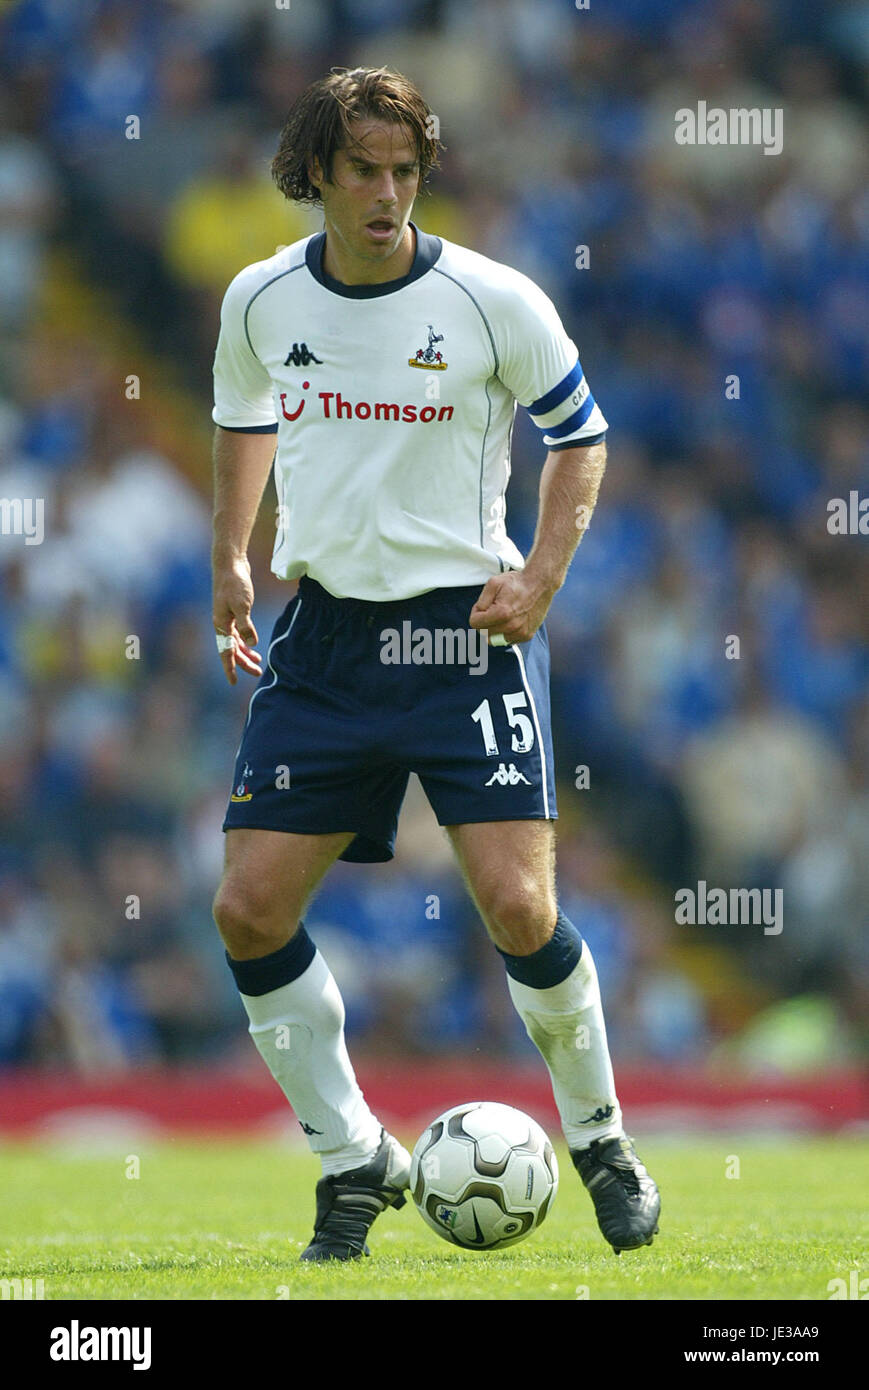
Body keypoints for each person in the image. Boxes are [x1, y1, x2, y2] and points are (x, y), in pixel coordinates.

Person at [210, 66, 660, 1261]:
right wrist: (231, 562)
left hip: (465, 633)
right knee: (248, 912)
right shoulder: (259, 301)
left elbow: (580, 433)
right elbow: (244, 415)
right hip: (326, 641)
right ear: (317, 172)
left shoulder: (489, 300)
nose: (387, 194)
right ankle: (354, 1158)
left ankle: (602, 1140)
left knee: (519, 907)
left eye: (405, 172)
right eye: (363, 170)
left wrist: (542, 576)